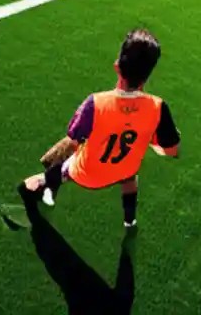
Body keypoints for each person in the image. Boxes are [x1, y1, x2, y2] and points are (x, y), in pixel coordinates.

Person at [21, 29, 181, 228]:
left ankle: (36, 186)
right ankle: (129, 220)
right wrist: (150, 140)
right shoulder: (158, 108)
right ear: (146, 77)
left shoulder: (95, 103)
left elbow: (72, 141)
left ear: (117, 67)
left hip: (88, 174)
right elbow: (172, 150)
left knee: (60, 166)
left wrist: (50, 162)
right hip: (123, 169)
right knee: (130, 176)